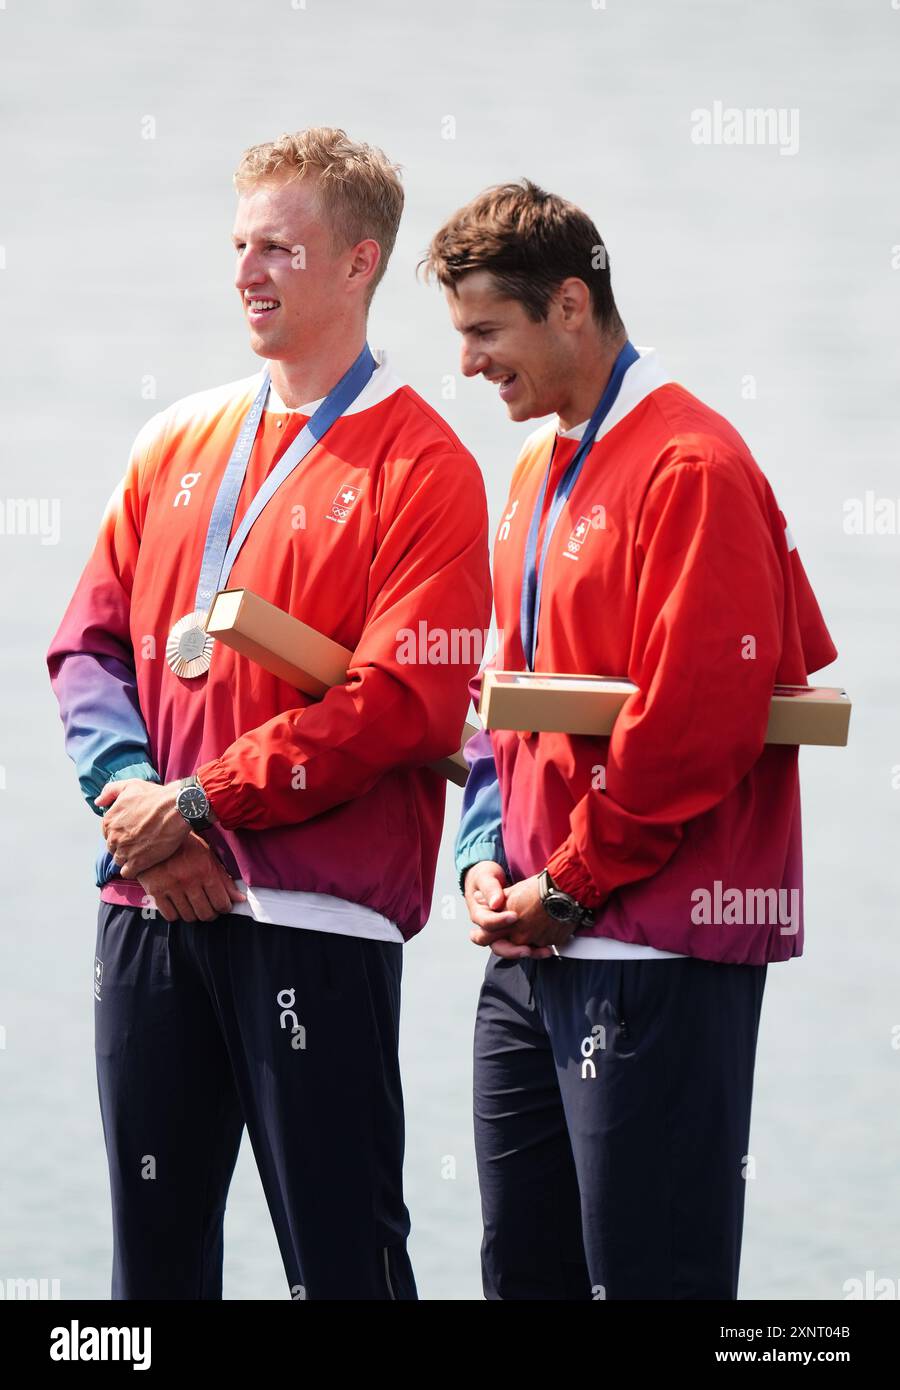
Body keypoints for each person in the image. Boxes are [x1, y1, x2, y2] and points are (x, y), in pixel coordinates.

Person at [46, 127, 491, 1301]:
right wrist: (133, 802)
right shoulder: (175, 437)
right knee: (151, 1273)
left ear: (359, 261)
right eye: (239, 243)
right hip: (148, 900)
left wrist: (201, 802)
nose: (247, 270)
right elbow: (84, 648)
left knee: (343, 1266)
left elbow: (402, 701)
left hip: (313, 920)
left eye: (279, 248)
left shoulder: (426, 464)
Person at [422, 179, 838, 1300]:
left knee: (654, 1283)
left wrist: (567, 883)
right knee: (523, 1276)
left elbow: (694, 724)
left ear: (568, 303)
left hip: (652, 951)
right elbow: (498, 704)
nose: (467, 365)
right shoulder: (531, 471)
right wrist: (482, 856)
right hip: (530, 948)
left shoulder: (691, 463)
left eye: (484, 333)